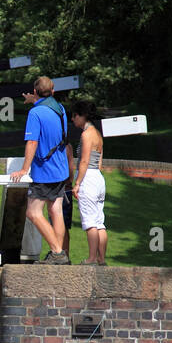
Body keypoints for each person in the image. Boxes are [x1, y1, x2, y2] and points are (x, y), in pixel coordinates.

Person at [8, 76, 71, 264]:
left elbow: (32, 142)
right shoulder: (60, 109)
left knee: (33, 213)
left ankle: (57, 252)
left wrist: (24, 169)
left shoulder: (35, 114)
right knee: (56, 211)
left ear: (35, 92)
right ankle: (60, 255)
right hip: (61, 170)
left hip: (44, 171)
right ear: (52, 92)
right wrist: (34, 99)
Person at [62, 100, 108, 265]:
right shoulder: (97, 134)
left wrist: (77, 183)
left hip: (88, 178)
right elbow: (100, 162)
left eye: (74, 116)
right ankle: (101, 258)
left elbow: (84, 161)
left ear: (82, 116)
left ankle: (92, 258)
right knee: (99, 221)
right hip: (98, 178)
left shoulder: (86, 134)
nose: (73, 120)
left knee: (89, 222)